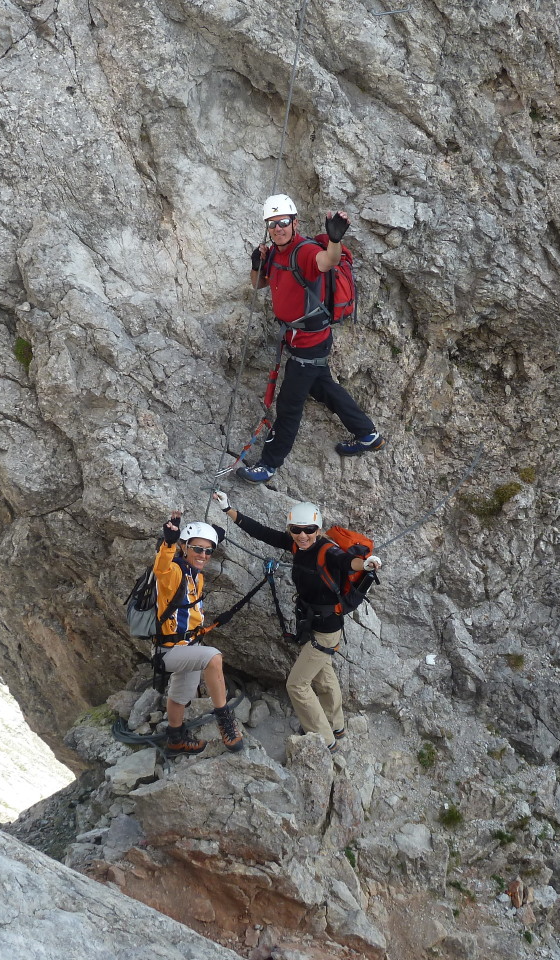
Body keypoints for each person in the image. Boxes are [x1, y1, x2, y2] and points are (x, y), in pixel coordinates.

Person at [211, 491, 382, 750]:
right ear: (290, 529)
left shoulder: (327, 550)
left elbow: (349, 562)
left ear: (319, 529)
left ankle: (325, 740)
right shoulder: (294, 544)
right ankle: (337, 725)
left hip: (326, 628)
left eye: (309, 530)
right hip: (314, 622)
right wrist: (228, 509)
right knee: (323, 674)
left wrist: (366, 565)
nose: (303, 536)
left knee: (297, 685)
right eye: (296, 530)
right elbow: (261, 532)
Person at [236, 193, 384, 484]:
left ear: (294, 222)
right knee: (323, 386)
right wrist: (256, 265)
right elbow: (259, 284)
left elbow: (328, 261)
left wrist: (334, 240)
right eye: (272, 224)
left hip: (309, 341)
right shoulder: (275, 252)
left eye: (283, 222)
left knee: (289, 406)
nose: (278, 228)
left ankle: (268, 465)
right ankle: (368, 434)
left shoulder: (303, 251)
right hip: (299, 337)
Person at [151, 510, 244, 754]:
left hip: (189, 647)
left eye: (208, 551)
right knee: (213, 657)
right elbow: (161, 568)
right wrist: (168, 542)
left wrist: (213, 536)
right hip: (169, 651)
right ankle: (225, 720)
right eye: (197, 549)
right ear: (184, 547)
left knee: (181, 694)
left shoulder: (196, 575)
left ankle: (175, 740)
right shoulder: (174, 573)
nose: (203, 555)